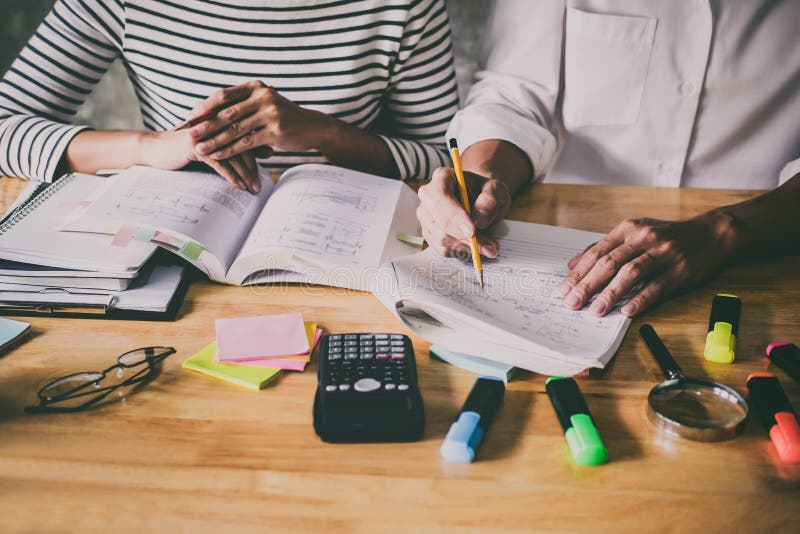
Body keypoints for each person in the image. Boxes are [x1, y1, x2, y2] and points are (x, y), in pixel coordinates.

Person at [418, 0, 800, 317]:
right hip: (568, 244)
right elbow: (512, 97)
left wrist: (723, 230)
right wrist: (483, 177)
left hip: (766, 246)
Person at [0, 0, 458, 194]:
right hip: (174, 249)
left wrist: (326, 132)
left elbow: (447, 160)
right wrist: (154, 147)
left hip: (347, 255)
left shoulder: (404, 5)